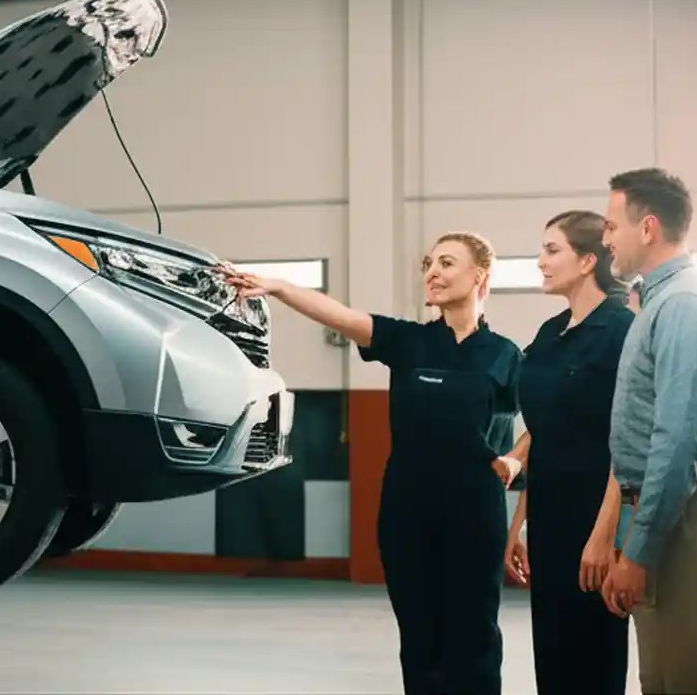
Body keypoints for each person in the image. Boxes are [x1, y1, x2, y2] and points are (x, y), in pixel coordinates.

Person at [220, 231, 522, 695]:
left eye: (446, 263)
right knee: (420, 635)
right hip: (408, 510)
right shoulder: (407, 340)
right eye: (428, 264)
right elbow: (337, 315)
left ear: (479, 276)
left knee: (475, 633)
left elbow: (546, 418)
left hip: (475, 512)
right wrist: (279, 287)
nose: (432, 273)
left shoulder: (505, 354)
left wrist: (514, 459)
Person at [598, 167, 697, 694]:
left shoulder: (684, 304)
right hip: (668, 511)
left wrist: (637, 551)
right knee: (662, 681)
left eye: (610, 225)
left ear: (647, 228)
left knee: (692, 682)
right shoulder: (657, 301)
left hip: (693, 511)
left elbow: (678, 443)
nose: (605, 239)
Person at [497, 210, 635, 695]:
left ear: (588, 260)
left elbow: (628, 444)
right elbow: (542, 431)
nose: (540, 261)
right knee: (552, 657)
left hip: (595, 521)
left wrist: (603, 538)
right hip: (549, 523)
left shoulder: (622, 330)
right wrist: (519, 526)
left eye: (552, 250)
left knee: (594, 658)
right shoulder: (549, 333)